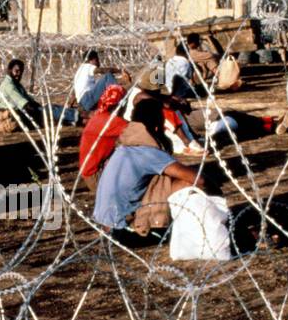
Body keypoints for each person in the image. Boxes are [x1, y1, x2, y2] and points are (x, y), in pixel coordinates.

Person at [93, 96, 218, 234]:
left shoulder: (124, 147)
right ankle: (202, 229)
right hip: (126, 230)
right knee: (185, 184)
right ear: (157, 124)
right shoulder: (148, 152)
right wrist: (218, 198)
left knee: (166, 179)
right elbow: (199, 179)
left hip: (108, 226)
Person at [77, 78, 131, 191]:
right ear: (119, 105)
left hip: (90, 172)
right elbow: (138, 131)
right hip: (97, 176)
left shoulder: (99, 116)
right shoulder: (110, 121)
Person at [0, 58, 80, 127]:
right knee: (49, 110)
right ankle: (77, 116)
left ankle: (74, 117)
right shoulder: (8, 85)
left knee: (51, 107)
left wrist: (39, 107)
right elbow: (24, 104)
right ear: (9, 70)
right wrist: (39, 110)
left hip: (21, 111)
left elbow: (28, 99)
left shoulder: (15, 83)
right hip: (17, 113)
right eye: (16, 71)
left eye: (21, 72)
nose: (19, 74)